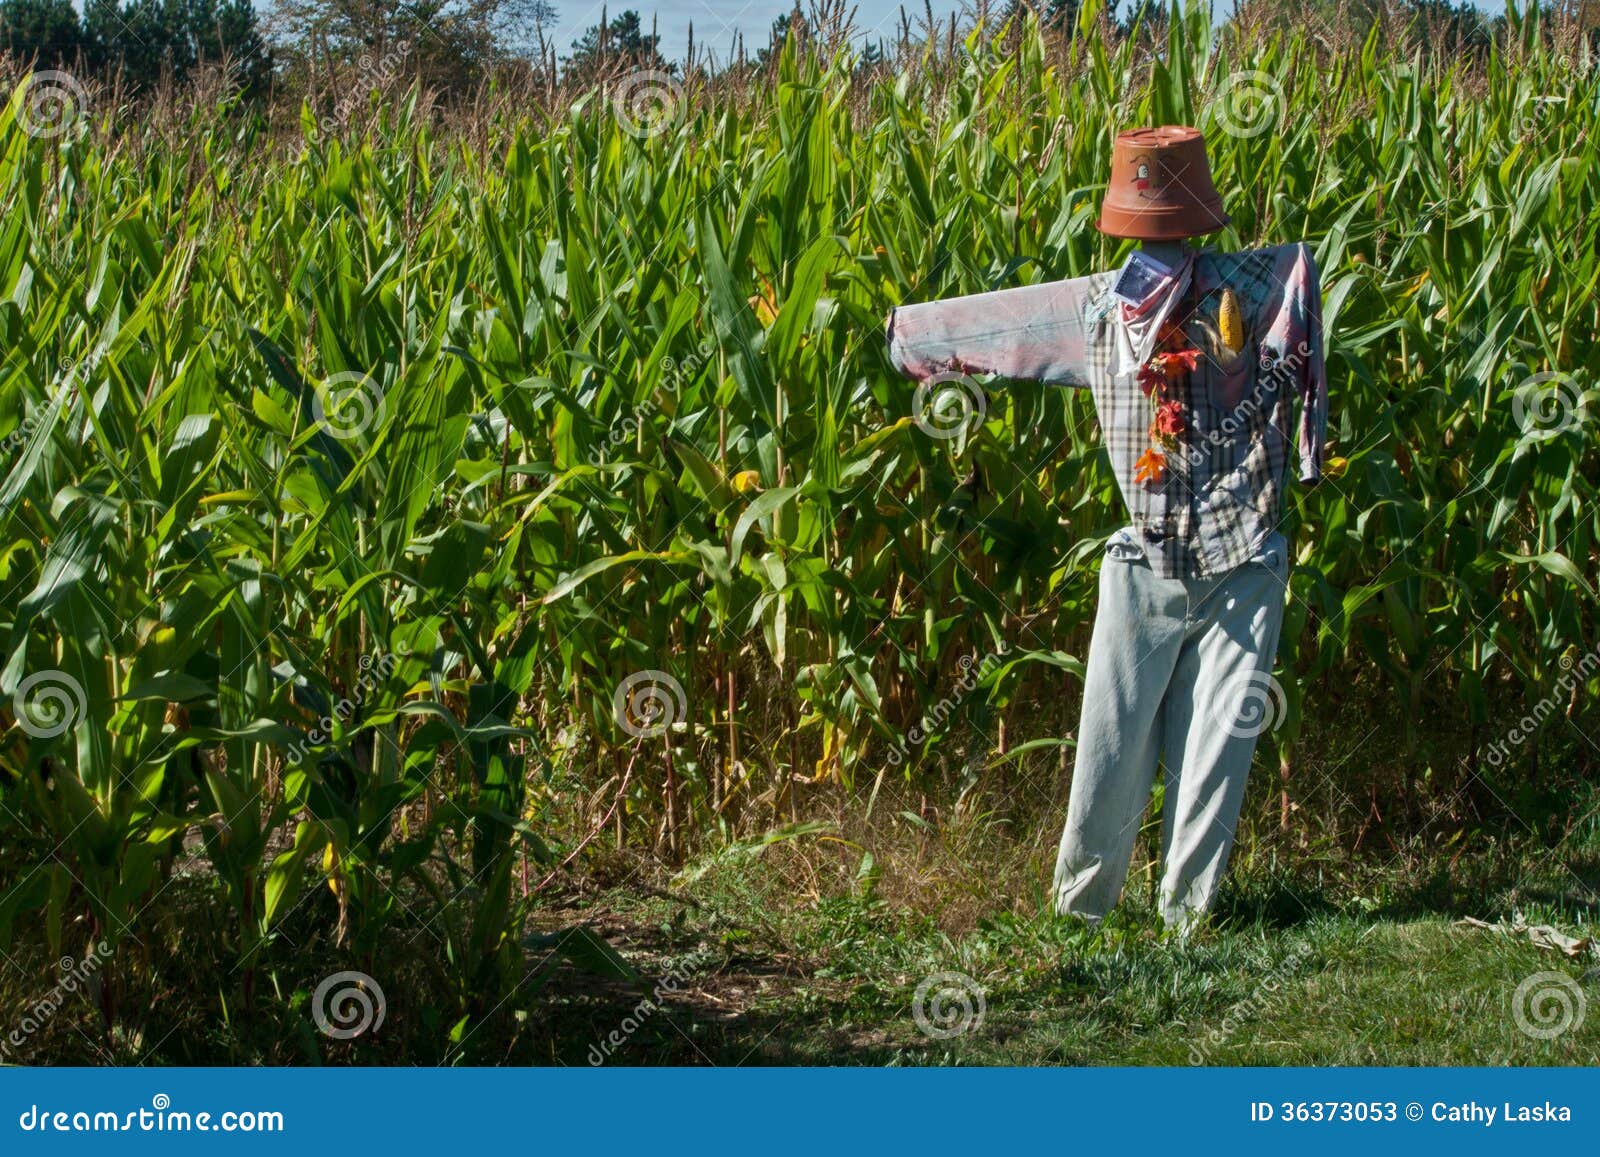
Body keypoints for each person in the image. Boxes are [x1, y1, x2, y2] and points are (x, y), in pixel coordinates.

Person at [885, 126, 1328, 931]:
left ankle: (1182, 923)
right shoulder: (1097, 310)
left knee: (1212, 752)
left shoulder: (1258, 288)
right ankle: (1085, 916)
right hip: (1151, 565)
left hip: (1244, 559)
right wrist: (916, 336)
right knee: (1112, 747)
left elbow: (1301, 296)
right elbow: (999, 325)